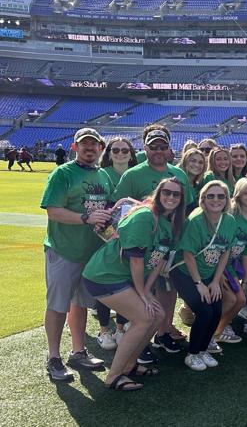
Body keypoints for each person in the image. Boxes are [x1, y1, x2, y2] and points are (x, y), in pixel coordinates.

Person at [82, 178, 185, 390]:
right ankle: (113, 376)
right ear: (158, 193)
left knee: (158, 315)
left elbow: (159, 260)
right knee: (145, 317)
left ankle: (129, 366)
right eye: (167, 192)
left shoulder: (170, 222)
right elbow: (136, 261)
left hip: (122, 278)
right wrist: (143, 294)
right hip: (104, 275)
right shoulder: (146, 216)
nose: (171, 197)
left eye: (176, 194)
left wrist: (147, 291)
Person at [41, 128, 113, 381]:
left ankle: (78, 351)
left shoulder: (103, 175)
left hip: (91, 252)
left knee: (80, 303)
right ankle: (53, 357)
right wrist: (85, 217)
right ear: (75, 147)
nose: (89, 148)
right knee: (58, 305)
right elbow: (53, 210)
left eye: (94, 145)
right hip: (63, 249)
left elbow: (106, 210)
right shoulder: (63, 173)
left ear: (101, 149)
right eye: (85, 144)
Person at [113, 127, 190, 355]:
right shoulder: (133, 174)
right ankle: (137, 339)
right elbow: (120, 210)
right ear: (144, 148)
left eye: (162, 147)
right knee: (138, 291)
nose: (158, 151)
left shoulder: (179, 174)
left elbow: (186, 209)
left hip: (168, 243)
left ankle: (163, 332)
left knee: (167, 290)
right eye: (153, 146)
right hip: (141, 247)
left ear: (169, 149)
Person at [172, 181, 236, 371]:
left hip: (209, 274)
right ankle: (192, 354)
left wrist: (216, 281)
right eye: (211, 196)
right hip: (185, 273)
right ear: (203, 199)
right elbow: (188, 255)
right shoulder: (196, 220)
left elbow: (225, 252)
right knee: (204, 311)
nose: (216, 200)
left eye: (220, 196)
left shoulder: (229, 221)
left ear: (226, 200)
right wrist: (199, 283)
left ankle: (202, 349)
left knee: (216, 310)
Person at [95, 136, 139, 349]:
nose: (120, 154)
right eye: (115, 150)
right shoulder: (103, 174)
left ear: (131, 154)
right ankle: (104, 330)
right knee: (107, 279)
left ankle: (120, 327)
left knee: (126, 281)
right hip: (107, 234)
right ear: (109, 153)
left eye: (124, 150)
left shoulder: (135, 174)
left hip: (131, 236)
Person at [214, 178, 247, 344]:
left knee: (241, 300)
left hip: (232, 265)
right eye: (246, 193)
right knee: (234, 300)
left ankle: (218, 331)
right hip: (219, 264)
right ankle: (214, 332)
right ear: (238, 196)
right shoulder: (231, 216)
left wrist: (246, 277)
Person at [178, 147, 207, 213]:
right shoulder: (179, 184)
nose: (197, 165)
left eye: (201, 162)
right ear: (185, 162)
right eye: (193, 161)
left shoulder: (199, 186)